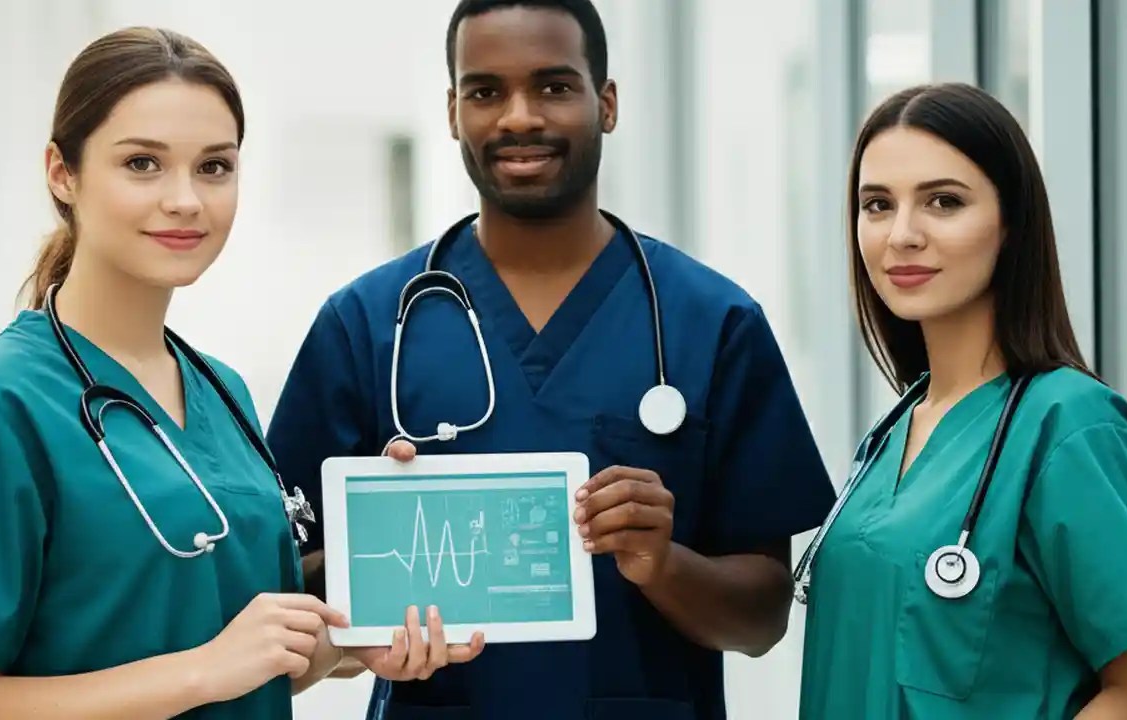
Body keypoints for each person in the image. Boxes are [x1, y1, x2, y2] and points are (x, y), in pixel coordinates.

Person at [265, 1, 838, 718]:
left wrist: (663, 564)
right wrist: (376, 555)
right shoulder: (365, 325)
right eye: (485, 91)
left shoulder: (713, 323)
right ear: (452, 112)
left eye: (554, 86)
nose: (519, 117)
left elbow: (763, 617)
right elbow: (283, 594)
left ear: (607, 103)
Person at [0, 27, 454, 720]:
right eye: (142, 164)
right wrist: (200, 673)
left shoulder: (222, 390)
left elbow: (246, 653)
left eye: (214, 167)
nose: (186, 199)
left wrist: (353, 636)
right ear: (62, 173)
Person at [795, 82, 1127, 719]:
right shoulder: (894, 432)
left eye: (943, 201)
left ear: (1011, 224)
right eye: (877, 204)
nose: (901, 234)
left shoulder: (1070, 425)